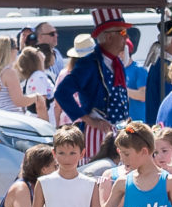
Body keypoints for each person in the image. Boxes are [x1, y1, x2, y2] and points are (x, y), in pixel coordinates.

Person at [52, 10, 138, 160]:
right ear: (109, 36)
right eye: (123, 32)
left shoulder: (116, 63)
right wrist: (87, 119)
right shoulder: (89, 64)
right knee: (97, 174)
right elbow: (61, 93)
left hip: (119, 132)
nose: (126, 37)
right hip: (98, 133)